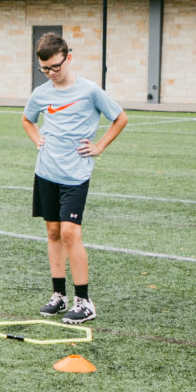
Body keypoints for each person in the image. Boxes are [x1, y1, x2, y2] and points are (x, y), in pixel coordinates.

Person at [21, 33, 127, 325]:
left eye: (56, 66)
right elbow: (27, 119)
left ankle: (84, 301)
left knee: (70, 233)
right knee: (53, 232)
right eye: (45, 69)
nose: (51, 73)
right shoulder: (41, 93)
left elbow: (120, 118)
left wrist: (99, 146)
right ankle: (59, 295)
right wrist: (37, 139)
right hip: (46, 173)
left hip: (75, 175)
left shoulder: (90, 91)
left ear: (68, 56)